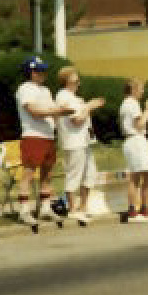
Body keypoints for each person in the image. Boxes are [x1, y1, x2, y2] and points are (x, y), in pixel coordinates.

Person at [14, 56, 75, 228]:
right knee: (28, 173)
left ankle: (46, 207)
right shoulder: (24, 89)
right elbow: (33, 111)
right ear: (32, 73)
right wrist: (58, 111)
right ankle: (24, 210)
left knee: (47, 174)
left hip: (48, 136)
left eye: (43, 70)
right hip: (33, 135)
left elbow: (52, 110)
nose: (43, 73)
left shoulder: (46, 90)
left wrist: (59, 117)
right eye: (39, 71)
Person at [55, 66, 106, 226]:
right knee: (74, 175)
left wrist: (86, 106)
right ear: (66, 82)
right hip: (73, 141)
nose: (78, 84)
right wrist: (89, 106)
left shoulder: (74, 97)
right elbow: (76, 120)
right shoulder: (63, 96)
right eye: (75, 81)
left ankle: (83, 207)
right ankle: (72, 208)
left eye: (78, 81)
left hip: (83, 141)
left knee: (90, 173)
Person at [120, 78, 148, 223]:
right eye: (141, 88)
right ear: (133, 89)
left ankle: (145, 209)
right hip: (134, 139)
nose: (143, 91)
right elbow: (139, 124)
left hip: (139, 140)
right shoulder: (131, 104)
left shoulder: (132, 103)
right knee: (135, 177)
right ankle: (132, 211)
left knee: (147, 176)